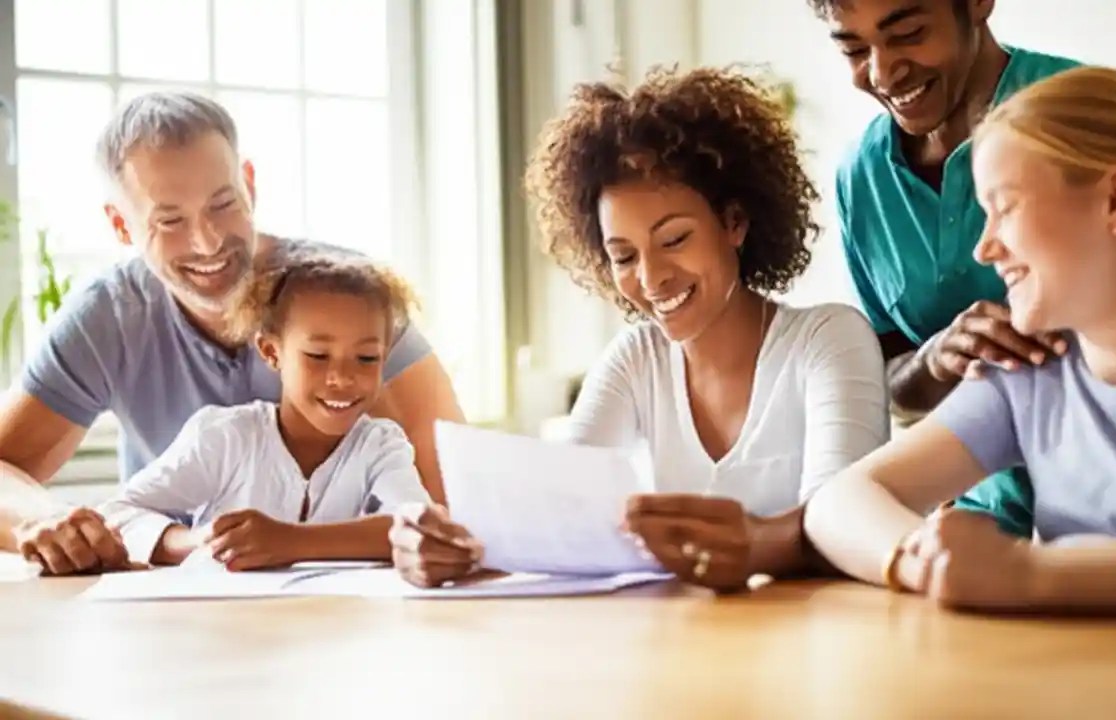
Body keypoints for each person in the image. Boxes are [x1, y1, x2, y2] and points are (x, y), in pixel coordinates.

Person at [659, 67, 1116, 616]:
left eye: (1004, 208)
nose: (986, 247)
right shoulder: (1028, 379)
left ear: (1115, 200)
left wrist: (1033, 577)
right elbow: (839, 503)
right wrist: (920, 561)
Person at [391, 66, 889, 588]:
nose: (650, 279)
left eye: (674, 240)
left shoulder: (830, 340)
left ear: (735, 223)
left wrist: (756, 542)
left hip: (821, 642)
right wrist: (447, 544)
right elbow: (552, 510)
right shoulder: (635, 357)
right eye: (624, 255)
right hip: (686, 647)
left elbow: (842, 522)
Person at [807, 0, 1116, 538]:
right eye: (853, 48)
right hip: (984, 509)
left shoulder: (1078, 110)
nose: (883, 70)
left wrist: (1038, 578)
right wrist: (935, 361)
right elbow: (880, 401)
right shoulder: (1012, 392)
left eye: (910, 32)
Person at [1, 92, 464, 574]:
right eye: (170, 221)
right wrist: (45, 521)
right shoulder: (109, 318)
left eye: (223, 205)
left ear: (249, 184)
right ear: (122, 225)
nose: (207, 242)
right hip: (176, 605)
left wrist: (296, 542)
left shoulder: (347, 299)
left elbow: (450, 497)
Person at [31, 251, 429, 574]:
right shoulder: (226, 437)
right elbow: (120, 512)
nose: (342, 377)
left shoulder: (381, 444)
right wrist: (198, 543)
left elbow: (417, 524)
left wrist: (288, 541)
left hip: (338, 638)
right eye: (317, 355)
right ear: (272, 352)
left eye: (366, 358)